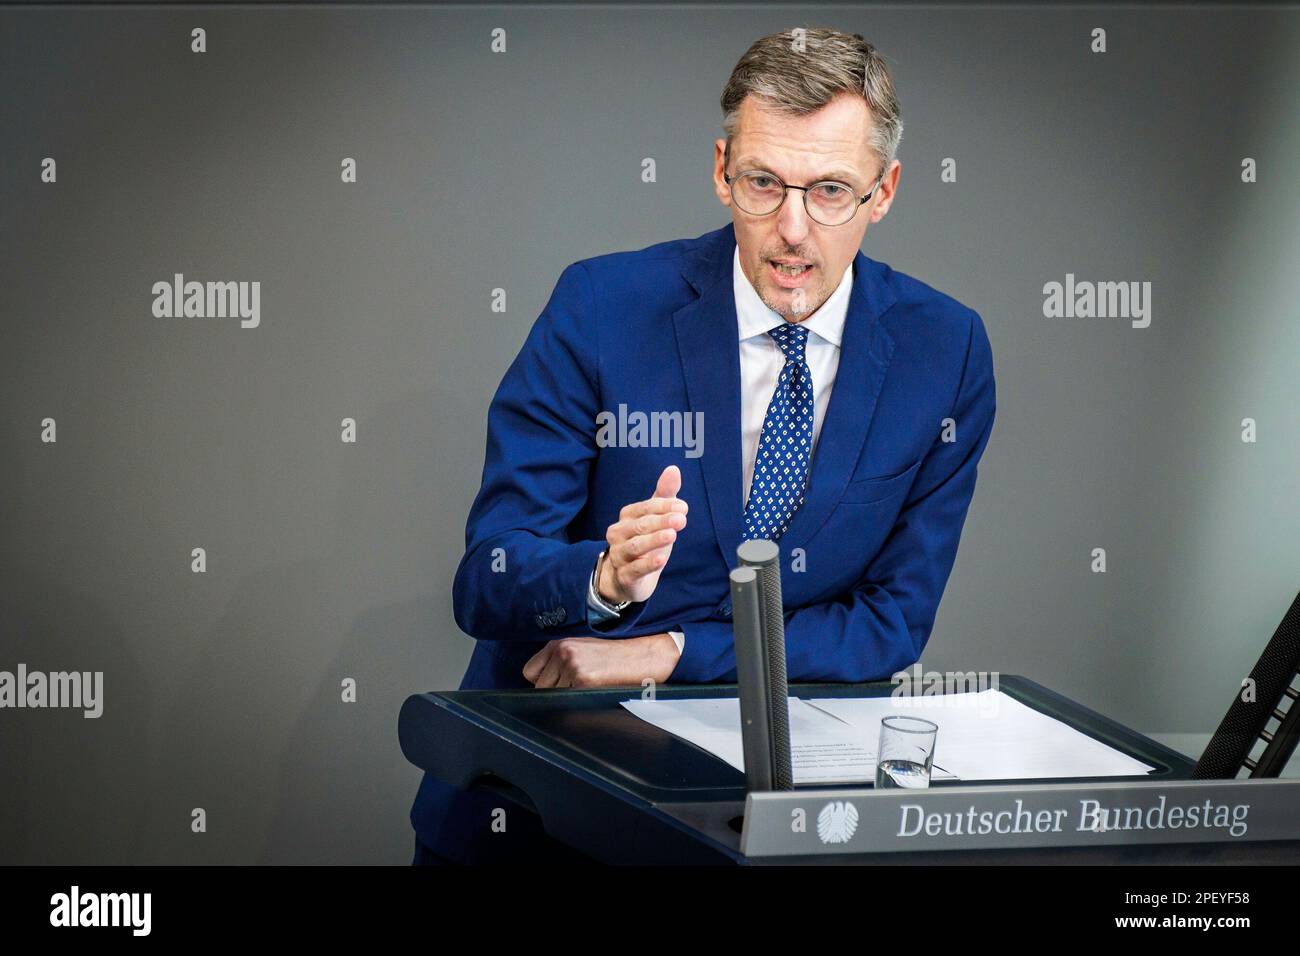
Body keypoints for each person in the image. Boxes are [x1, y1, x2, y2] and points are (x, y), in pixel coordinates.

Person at [411, 26, 996, 864]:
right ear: (722, 171)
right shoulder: (601, 307)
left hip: (742, 832)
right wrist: (602, 584)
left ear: (886, 190)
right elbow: (486, 581)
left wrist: (671, 651)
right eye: (764, 183)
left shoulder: (947, 352)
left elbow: (888, 625)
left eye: (831, 191)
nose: (793, 230)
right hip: (534, 822)